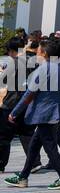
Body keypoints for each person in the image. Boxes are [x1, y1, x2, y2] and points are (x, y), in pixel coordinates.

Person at [3, 36, 60, 190]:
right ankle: (23, 177)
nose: (37, 54)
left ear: (45, 54)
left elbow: (29, 94)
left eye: (39, 52)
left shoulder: (43, 69)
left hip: (43, 114)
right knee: (34, 146)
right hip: (56, 112)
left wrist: (14, 112)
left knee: (50, 147)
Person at [0, 37, 35, 174]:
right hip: (27, 101)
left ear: (11, 50)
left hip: (11, 102)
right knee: (26, 133)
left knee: (3, 135)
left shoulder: (12, 63)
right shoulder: (31, 61)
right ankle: (35, 162)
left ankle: (1, 163)